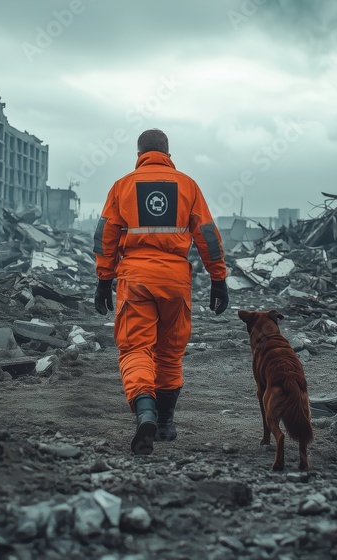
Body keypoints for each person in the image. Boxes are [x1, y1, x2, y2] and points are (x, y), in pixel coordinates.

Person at [93, 129, 229, 455]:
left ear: (139, 154)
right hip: (175, 281)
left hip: (135, 280)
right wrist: (218, 278)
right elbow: (207, 235)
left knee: (136, 348)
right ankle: (166, 422)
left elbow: (105, 237)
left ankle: (146, 413)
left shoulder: (122, 186)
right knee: (169, 352)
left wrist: (104, 280)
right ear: (168, 154)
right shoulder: (188, 185)